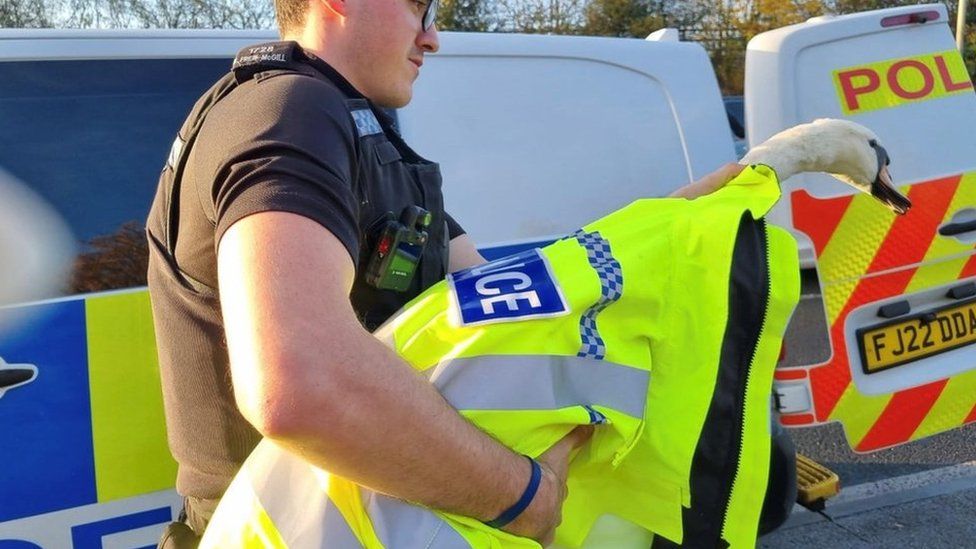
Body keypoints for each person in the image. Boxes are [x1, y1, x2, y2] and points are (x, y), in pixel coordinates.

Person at [145, 0, 745, 546]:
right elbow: (300, 383)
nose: (433, 38)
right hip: (292, 528)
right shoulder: (289, 110)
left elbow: (519, 298)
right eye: (419, 7)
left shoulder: (359, 131)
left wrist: (665, 227)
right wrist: (522, 496)